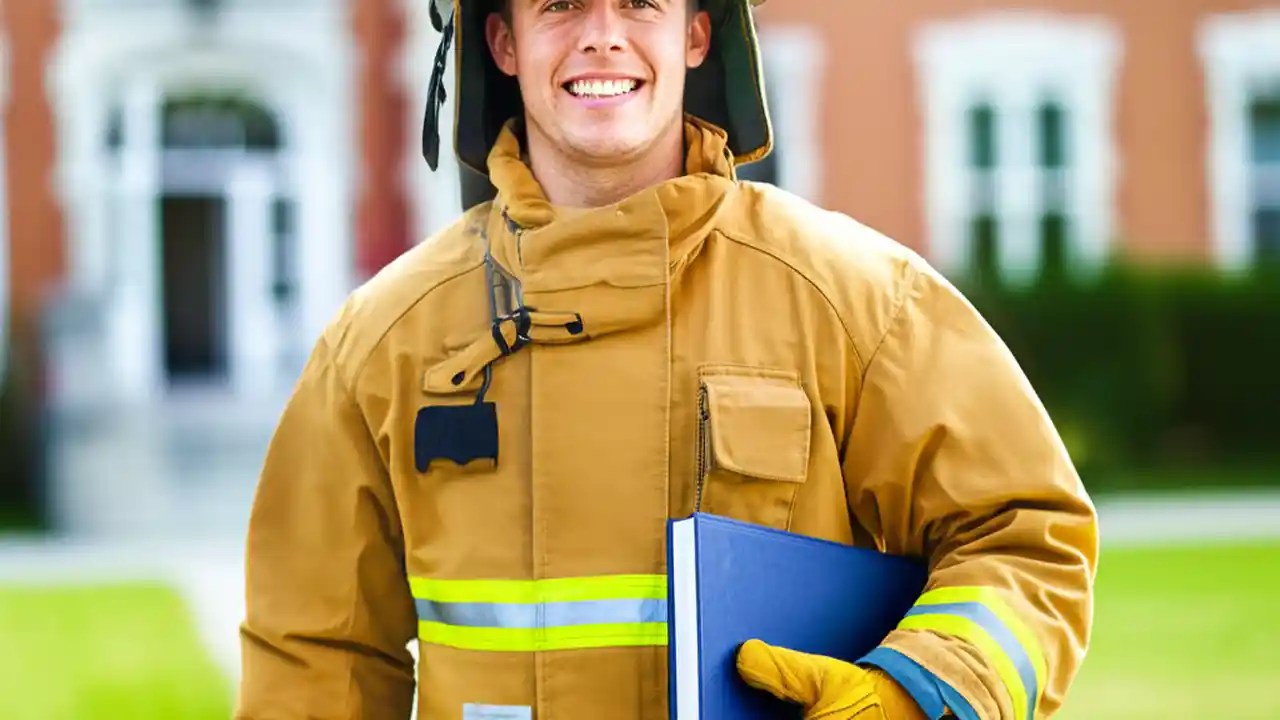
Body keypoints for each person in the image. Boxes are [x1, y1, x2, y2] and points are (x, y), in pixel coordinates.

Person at [236, 0, 1097, 718]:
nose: (603, 35)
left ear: (696, 34)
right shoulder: (380, 344)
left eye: (641, 2)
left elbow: (1028, 537)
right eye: (562, 4)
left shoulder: (858, 302)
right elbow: (314, 655)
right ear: (502, 42)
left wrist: (913, 695)